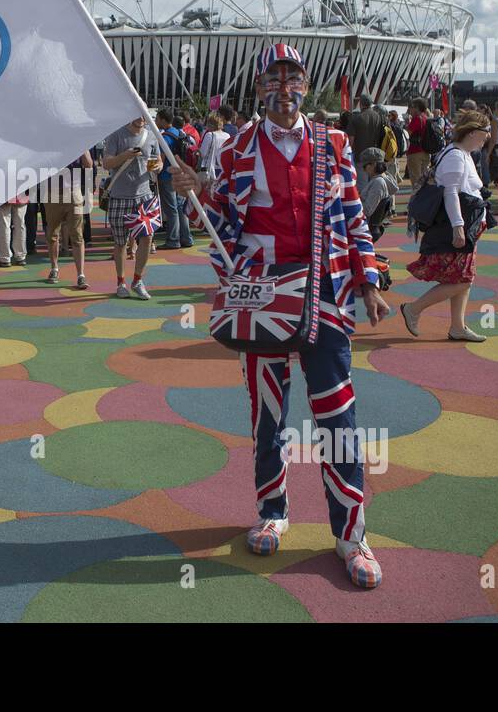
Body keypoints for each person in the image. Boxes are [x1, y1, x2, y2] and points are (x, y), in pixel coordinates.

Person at [172, 43, 389, 590]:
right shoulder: (239, 147)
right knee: (268, 412)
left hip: (327, 293)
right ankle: (272, 509)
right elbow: (223, 223)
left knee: (338, 418)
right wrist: (197, 193)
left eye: (293, 76)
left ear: (306, 84)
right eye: (274, 77)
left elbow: (351, 213)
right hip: (262, 296)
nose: (285, 87)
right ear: (260, 86)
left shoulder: (333, 141)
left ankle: (352, 534)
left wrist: (369, 279)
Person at [399, 111, 495, 343]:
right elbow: (451, 192)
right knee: (463, 279)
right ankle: (414, 309)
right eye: (485, 132)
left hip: (466, 224)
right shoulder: (456, 156)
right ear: (472, 132)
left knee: (461, 278)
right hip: (456, 225)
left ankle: (457, 326)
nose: (488, 137)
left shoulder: (462, 153)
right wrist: (458, 227)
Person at [103, 115, 160, 299]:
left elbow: (158, 160)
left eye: (144, 114)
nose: (141, 118)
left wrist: (157, 166)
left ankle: (138, 280)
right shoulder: (116, 135)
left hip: (144, 196)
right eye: (137, 114)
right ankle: (121, 282)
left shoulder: (151, 136)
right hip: (120, 196)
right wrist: (124, 156)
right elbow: (106, 163)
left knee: (147, 237)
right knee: (120, 243)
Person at [43, 151, 92, 289]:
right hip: (52, 193)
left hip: (73, 193)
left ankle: (81, 275)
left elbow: (88, 165)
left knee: (77, 235)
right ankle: (54, 269)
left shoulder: (77, 140)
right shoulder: (49, 142)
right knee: (52, 233)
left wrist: (83, 148)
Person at [155, 109, 193, 250]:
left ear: (163, 120)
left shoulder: (165, 137)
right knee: (181, 208)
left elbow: (162, 158)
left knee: (171, 210)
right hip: (180, 174)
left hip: (167, 175)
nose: (156, 122)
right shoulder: (179, 133)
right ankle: (186, 238)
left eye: (158, 119)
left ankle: (173, 240)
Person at [357, 147, 399, 242]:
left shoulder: (378, 183)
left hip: (365, 225)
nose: (364, 170)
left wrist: (355, 200)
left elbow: (368, 210)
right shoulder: (379, 180)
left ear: (374, 164)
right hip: (369, 224)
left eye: (365, 166)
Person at [0, 186, 28, 266]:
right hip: (21, 191)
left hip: (3, 191)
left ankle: (5, 257)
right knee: (20, 225)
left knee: (4, 225)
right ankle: (20, 256)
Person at [405, 99, 431, 188]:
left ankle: (417, 200)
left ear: (416, 108)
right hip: (426, 151)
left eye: (411, 107)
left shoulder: (416, 119)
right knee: (424, 180)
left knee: (416, 180)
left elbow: (408, 133)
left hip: (415, 152)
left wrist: (407, 123)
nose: (410, 110)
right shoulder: (426, 118)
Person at [197, 113, 228, 181]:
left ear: (211, 125)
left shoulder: (210, 135)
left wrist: (198, 150)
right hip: (221, 169)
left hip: (208, 170)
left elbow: (203, 154)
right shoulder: (227, 136)